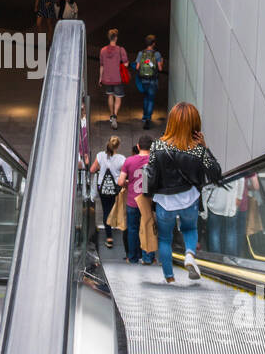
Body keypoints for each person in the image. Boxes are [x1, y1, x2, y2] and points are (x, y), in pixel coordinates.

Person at [144, 102, 223, 284]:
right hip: (190, 200)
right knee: (190, 228)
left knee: (164, 238)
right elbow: (216, 174)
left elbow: (151, 177)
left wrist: (149, 198)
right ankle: (189, 254)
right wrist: (205, 148)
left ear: (172, 121)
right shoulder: (196, 148)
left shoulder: (158, 146)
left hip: (164, 202)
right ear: (194, 124)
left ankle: (169, 278)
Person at [117, 134, 155, 264]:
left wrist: (129, 183)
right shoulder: (154, 161)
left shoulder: (129, 161)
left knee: (132, 230)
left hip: (132, 201)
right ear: (152, 147)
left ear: (138, 146)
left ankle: (132, 257)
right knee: (148, 227)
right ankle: (148, 257)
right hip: (148, 201)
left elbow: (120, 181)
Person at [90, 136, 125, 249]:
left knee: (106, 210)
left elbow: (92, 170)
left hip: (103, 188)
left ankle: (109, 238)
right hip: (115, 188)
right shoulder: (121, 159)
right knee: (114, 208)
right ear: (118, 146)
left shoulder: (100, 155)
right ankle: (116, 224)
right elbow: (125, 174)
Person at [98, 28, 128, 130]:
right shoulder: (120, 50)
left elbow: (101, 65)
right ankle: (115, 115)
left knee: (110, 96)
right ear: (116, 38)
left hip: (107, 77)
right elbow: (126, 64)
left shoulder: (102, 50)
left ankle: (111, 115)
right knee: (118, 97)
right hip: (118, 78)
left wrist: (100, 78)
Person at [132, 34, 164, 130]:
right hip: (153, 80)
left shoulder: (141, 53)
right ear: (153, 44)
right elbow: (160, 68)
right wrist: (161, 61)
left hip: (143, 80)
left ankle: (144, 116)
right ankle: (148, 119)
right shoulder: (157, 54)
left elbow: (137, 67)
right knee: (150, 99)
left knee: (146, 97)